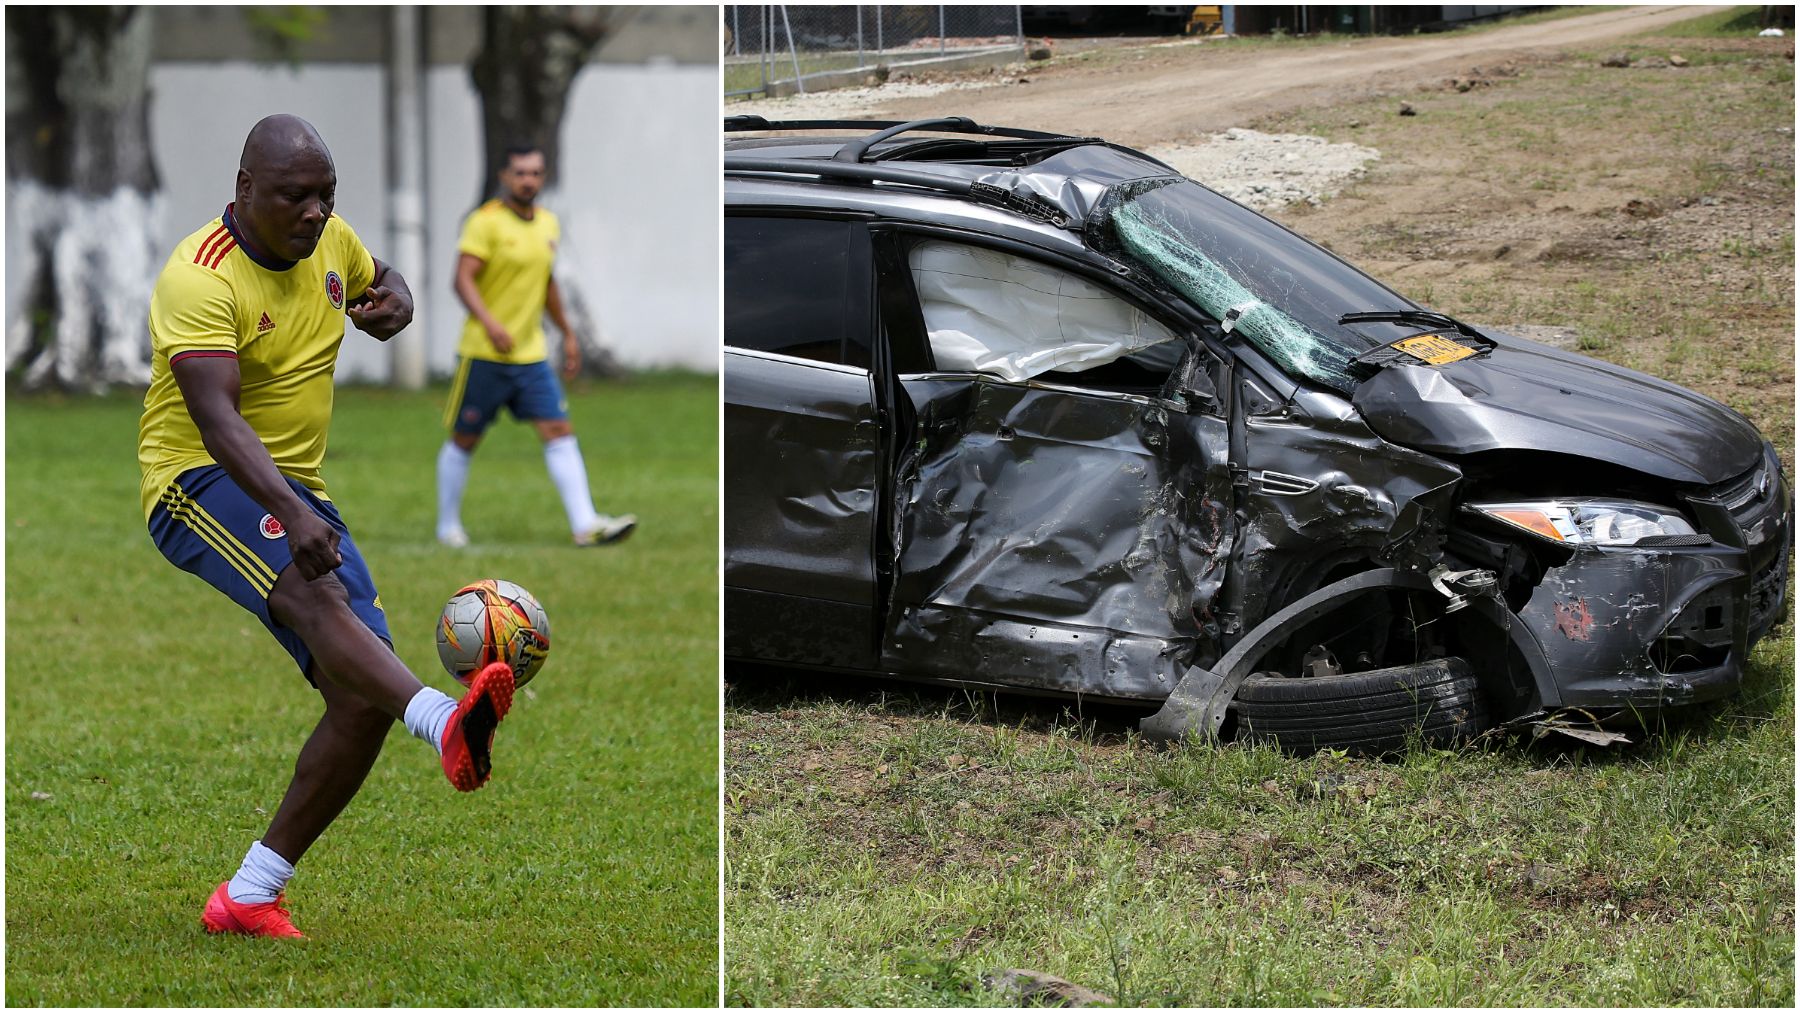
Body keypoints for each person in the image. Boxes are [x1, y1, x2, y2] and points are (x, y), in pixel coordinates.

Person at [138, 114, 515, 940]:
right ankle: (445, 721)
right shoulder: (199, 277)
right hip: (197, 483)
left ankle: (249, 893)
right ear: (244, 192)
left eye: (326, 195)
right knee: (320, 605)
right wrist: (290, 511)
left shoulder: (331, 242)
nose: (315, 213)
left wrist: (399, 302)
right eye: (293, 196)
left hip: (294, 490)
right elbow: (217, 422)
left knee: (358, 694)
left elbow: (386, 277)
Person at [435, 143, 636, 549]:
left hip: (530, 354)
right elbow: (462, 279)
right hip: (484, 354)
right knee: (465, 438)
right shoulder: (484, 222)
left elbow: (546, 284)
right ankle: (447, 526)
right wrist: (490, 323)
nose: (529, 181)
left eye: (535, 173)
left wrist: (568, 332)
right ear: (505, 177)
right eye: (520, 173)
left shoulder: (547, 224)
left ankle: (586, 525)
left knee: (559, 429)